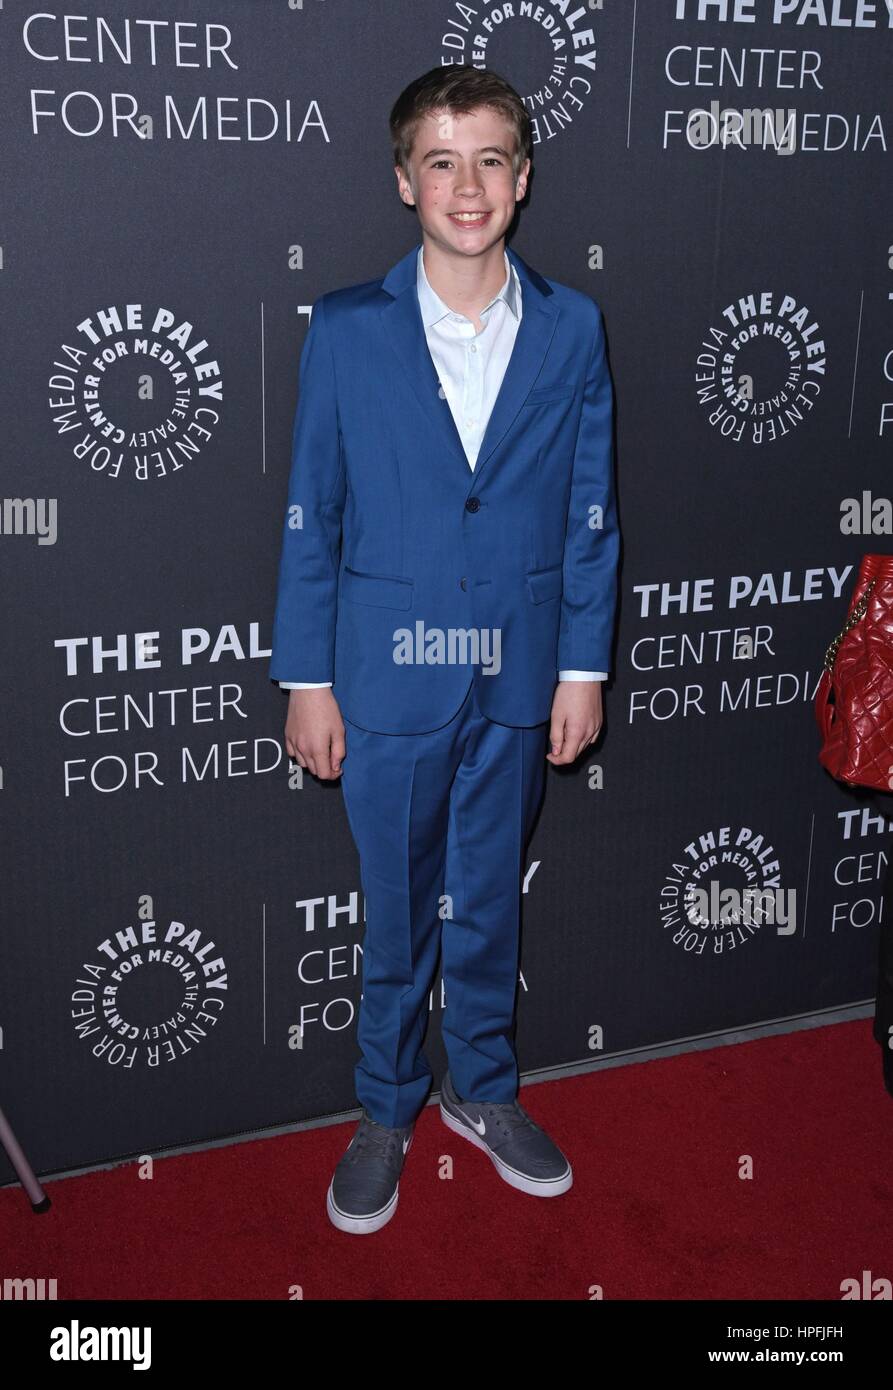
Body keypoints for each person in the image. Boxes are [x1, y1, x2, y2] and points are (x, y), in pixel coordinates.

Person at [269, 65, 620, 1234]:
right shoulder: (349, 328)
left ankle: (481, 1086)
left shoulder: (571, 326)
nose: (464, 185)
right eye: (439, 160)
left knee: (485, 900)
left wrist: (582, 665)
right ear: (403, 181)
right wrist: (306, 678)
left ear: (520, 181)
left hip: (517, 672)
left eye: (487, 160)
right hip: (384, 675)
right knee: (395, 899)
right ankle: (385, 1104)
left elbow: (588, 507)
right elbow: (312, 509)